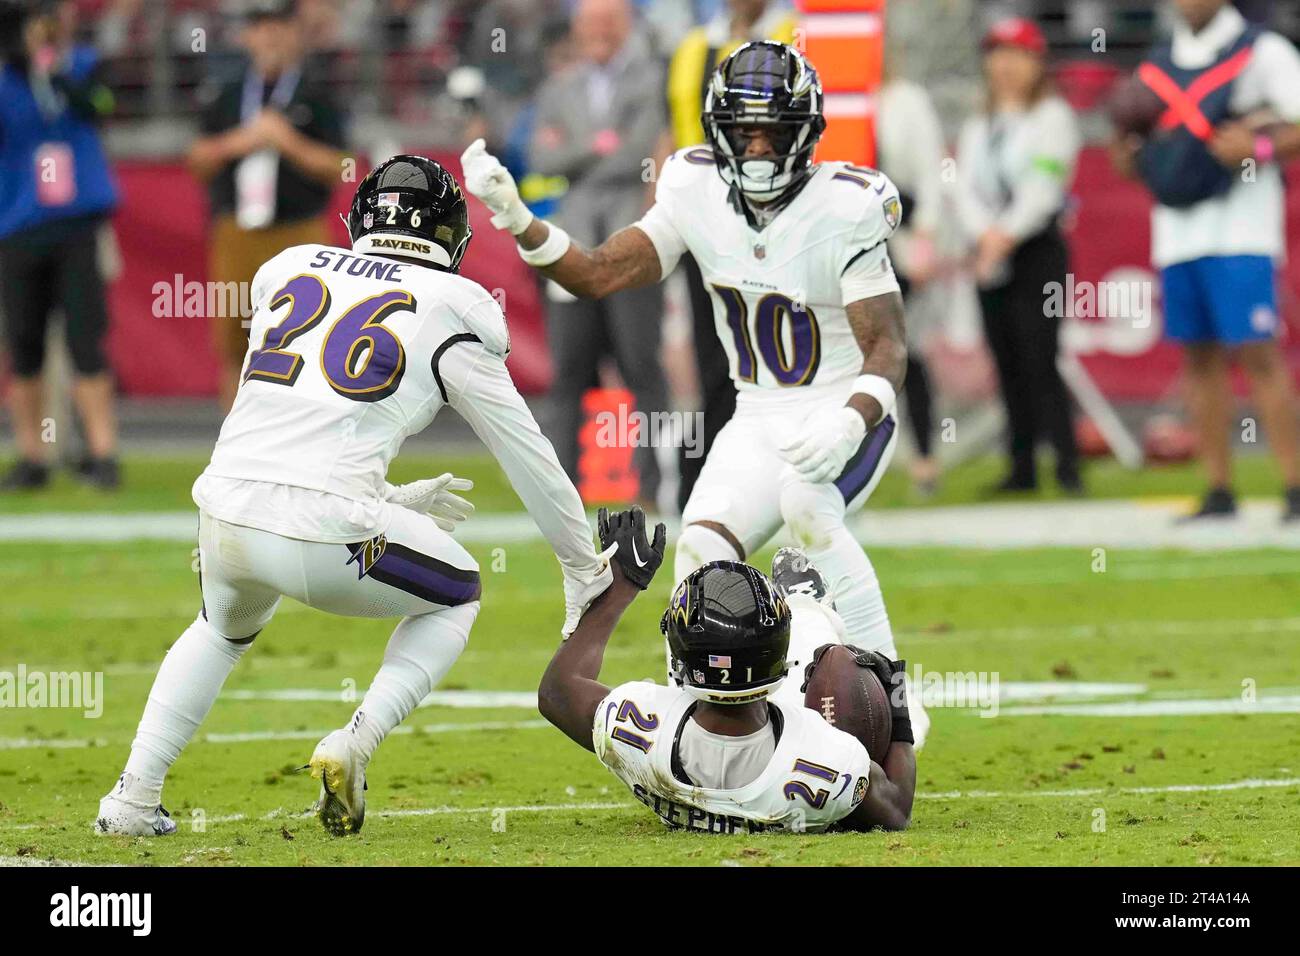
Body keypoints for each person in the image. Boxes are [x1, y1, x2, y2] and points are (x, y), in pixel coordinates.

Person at [94, 155, 612, 838]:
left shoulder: (291, 266)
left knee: (219, 631)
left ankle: (132, 798)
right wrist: (581, 566)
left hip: (224, 510)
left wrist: (389, 496)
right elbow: (530, 457)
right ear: (452, 238)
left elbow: (296, 426)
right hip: (324, 532)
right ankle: (357, 742)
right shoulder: (455, 305)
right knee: (460, 592)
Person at [462, 43, 931, 752]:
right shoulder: (693, 189)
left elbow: (888, 348)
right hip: (758, 411)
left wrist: (850, 419)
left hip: (846, 406)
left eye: (774, 131)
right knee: (702, 551)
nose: (760, 148)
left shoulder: (848, 205)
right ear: (719, 133)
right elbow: (594, 274)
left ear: (808, 132)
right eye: (745, 132)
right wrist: (518, 219)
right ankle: (720, 738)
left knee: (808, 507)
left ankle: (895, 702)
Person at [538, 506, 916, 833]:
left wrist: (621, 586)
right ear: (777, 659)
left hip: (697, 732)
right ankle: (805, 607)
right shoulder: (826, 763)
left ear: (679, 661)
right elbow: (896, 809)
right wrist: (896, 703)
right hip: (787, 735)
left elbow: (557, 692)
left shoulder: (640, 725)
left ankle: (795, 614)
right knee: (831, 659)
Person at [1112, 0, 1300, 521]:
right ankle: (1219, 489)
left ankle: (1293, 486)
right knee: (1198, 360)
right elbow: (1140, 147)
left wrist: (1258, 149)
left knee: (1259, 353)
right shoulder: (1157, 63)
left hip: (1243, 228)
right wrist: (1130, 159)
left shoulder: (1264, 51)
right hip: (1178, 233)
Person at [528, 0, 669, 508]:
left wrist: (580, 151)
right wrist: (601, 144)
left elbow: (638, 154)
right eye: (592, 23)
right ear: (578, 29)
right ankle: (563, 489)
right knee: (569, 371)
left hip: (631, 243)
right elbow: (543, 159)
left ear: (626, 25)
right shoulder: (557, 87)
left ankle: (652, 488)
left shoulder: (652, 79)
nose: (601, 33)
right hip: (571, 243)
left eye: (610, 22)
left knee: (641, 367)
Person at [665, 0, 797, 512]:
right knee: (713, 352)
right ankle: (712, 470)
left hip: (773, 217)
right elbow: (674, 132)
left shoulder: (793, 33)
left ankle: (763, 472)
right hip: (708, 217)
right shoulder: (695, 46)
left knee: (771, 348)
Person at [187, 0, 347, 411]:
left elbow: (345, 168)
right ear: (247, 36)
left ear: (296, 33)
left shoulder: (319, 93)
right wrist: (239, 142)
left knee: (309, 342)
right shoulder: (226, 93)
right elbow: (197, 161)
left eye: (279, 25)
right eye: (261, 26)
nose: (270, 35)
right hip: (237, 231)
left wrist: (287, 142)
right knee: (235, 342)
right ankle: (235, 451)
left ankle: (303, 452)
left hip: (301, 232)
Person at [955, 16, 1082, 496]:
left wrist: (1001, 236)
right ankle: (1021, 464)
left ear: (1036, 63)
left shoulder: (1052, 118)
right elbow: (962, 190)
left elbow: (1043, 190)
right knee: (1005, 357)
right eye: (997, 56)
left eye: (1016, 55)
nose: (1005, 66)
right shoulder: (978, 124)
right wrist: (982, 236)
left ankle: (1067, 464)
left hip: (1035, 252)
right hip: (989, 254)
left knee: (1041, 355)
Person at [0, 0, 120, 490]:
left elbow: (102, 107)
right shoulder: (7, 78)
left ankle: (102, 452)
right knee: (24, 345)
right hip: (21, 226)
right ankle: (33, 455)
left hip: (76, 224)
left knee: (85, 341)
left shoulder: (84, 66)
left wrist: (56, 67)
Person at [877, 65, 946, 497]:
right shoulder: (829, 93)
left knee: (903, 351)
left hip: (897, 235)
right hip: (842, 241)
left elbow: (930, 172)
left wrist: (926, 237)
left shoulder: (907, 98)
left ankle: (924, 456)